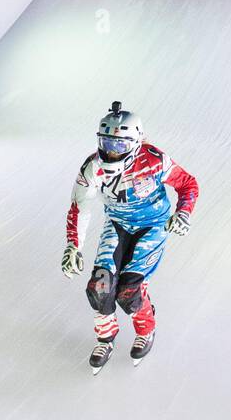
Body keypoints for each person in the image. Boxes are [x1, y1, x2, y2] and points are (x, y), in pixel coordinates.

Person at [61, 102, 199, 371]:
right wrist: (72, 245)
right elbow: (80, 206)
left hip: (152, 225)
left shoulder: (155, 159)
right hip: (118, 224)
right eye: (107, 143)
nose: (111, 153)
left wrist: (184, 212)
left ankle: (146, 328)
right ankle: (106, 335)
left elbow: (188, 183)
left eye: (119, 147)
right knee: (100, 288)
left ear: (135, 144)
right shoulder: (92, 167)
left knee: (128, 291)